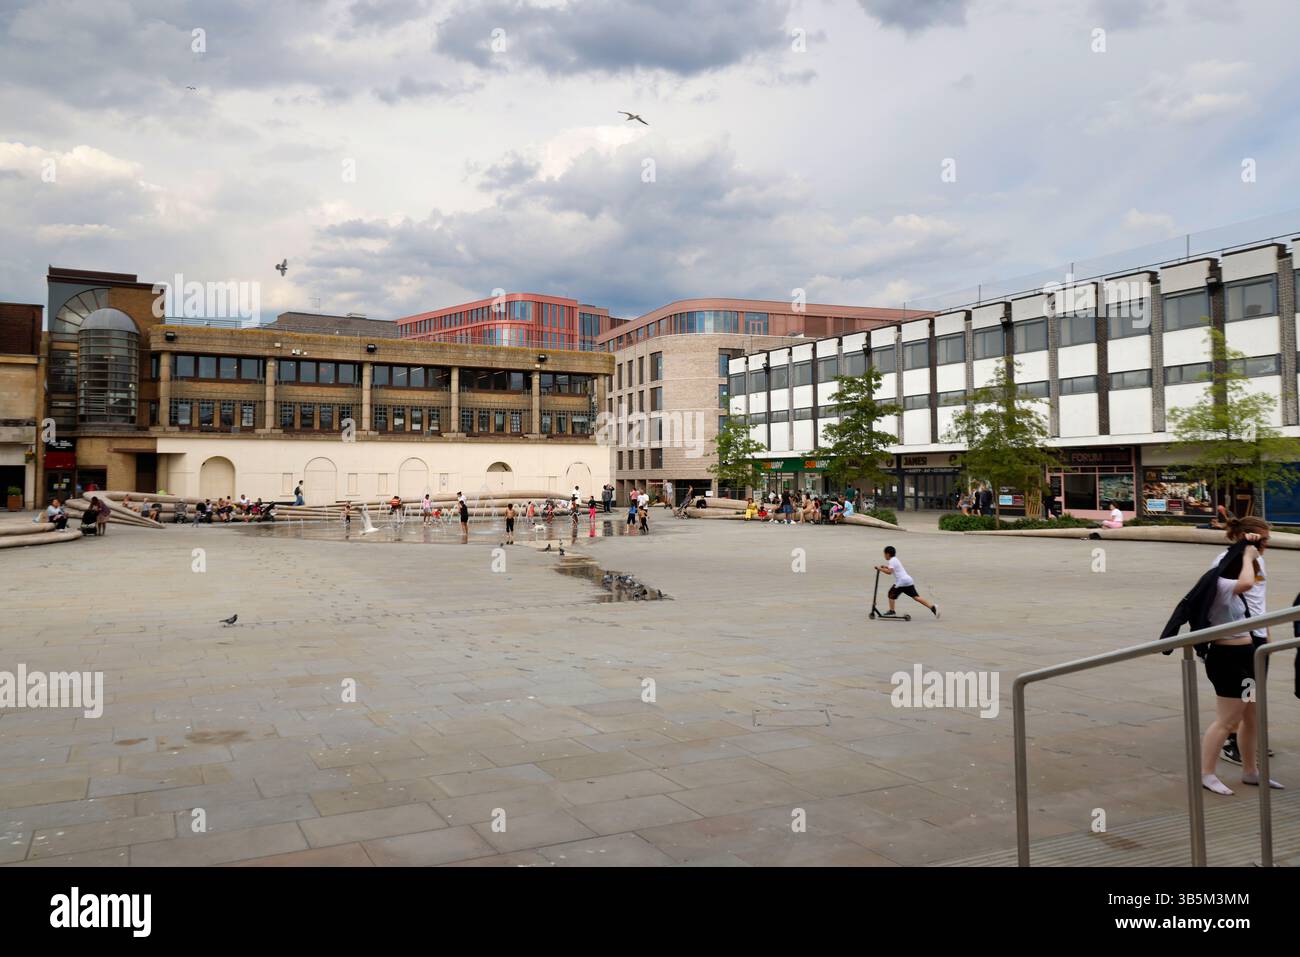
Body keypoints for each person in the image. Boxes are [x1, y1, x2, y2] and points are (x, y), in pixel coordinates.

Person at [1200, 530, 1283, 795]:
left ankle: (1250, 771)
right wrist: (1247, 554)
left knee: (1251, 714)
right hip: (1227, 661)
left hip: (1247, 657)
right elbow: (1248, 583)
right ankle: (1207, 773)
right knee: (1227, 719)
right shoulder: (1221, 584)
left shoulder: (1236, 584)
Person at [1211, 517, 1273, 768]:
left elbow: (1258, 598)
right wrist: (1245, 555)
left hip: (1258, 636)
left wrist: (1266, 630)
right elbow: (1225, 597)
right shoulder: (1225, 562)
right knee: (1239, 698)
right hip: (1237, 640)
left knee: (1253, 695)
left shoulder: (1259, 560)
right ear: (1249, 537)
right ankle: (1232, 741)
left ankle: (1247, 739)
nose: (1267, 545)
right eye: (1263, 539)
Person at [875, 545, 939, 618]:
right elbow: (893, 569)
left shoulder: (891, 561)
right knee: (916, 597)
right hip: (908, 580)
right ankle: (932, 607)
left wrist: (880, 569)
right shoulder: (895, 559)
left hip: (902, 581)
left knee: (891, 593)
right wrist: (885, 567)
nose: (884, 556)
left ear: (888, 554)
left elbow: (889, 572)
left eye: (884, 554)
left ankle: (892, 611)